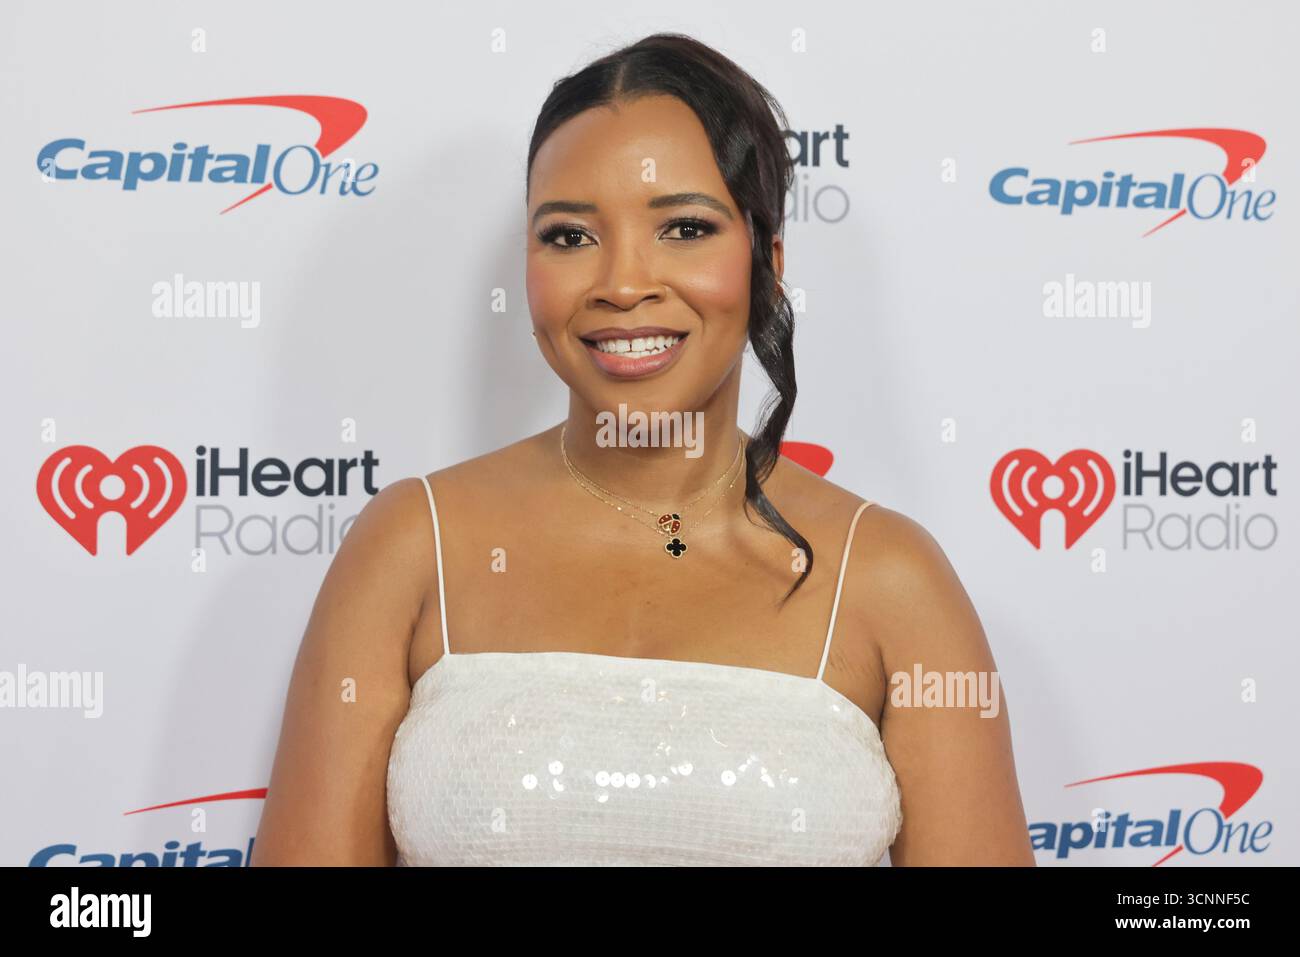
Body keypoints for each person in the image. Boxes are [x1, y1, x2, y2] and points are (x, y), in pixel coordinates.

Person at [252, 32, 1035, 866]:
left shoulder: (891, 577)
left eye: (685, 228)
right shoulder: (412, 544)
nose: (623, 284)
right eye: (568, 236)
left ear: (766, 262)